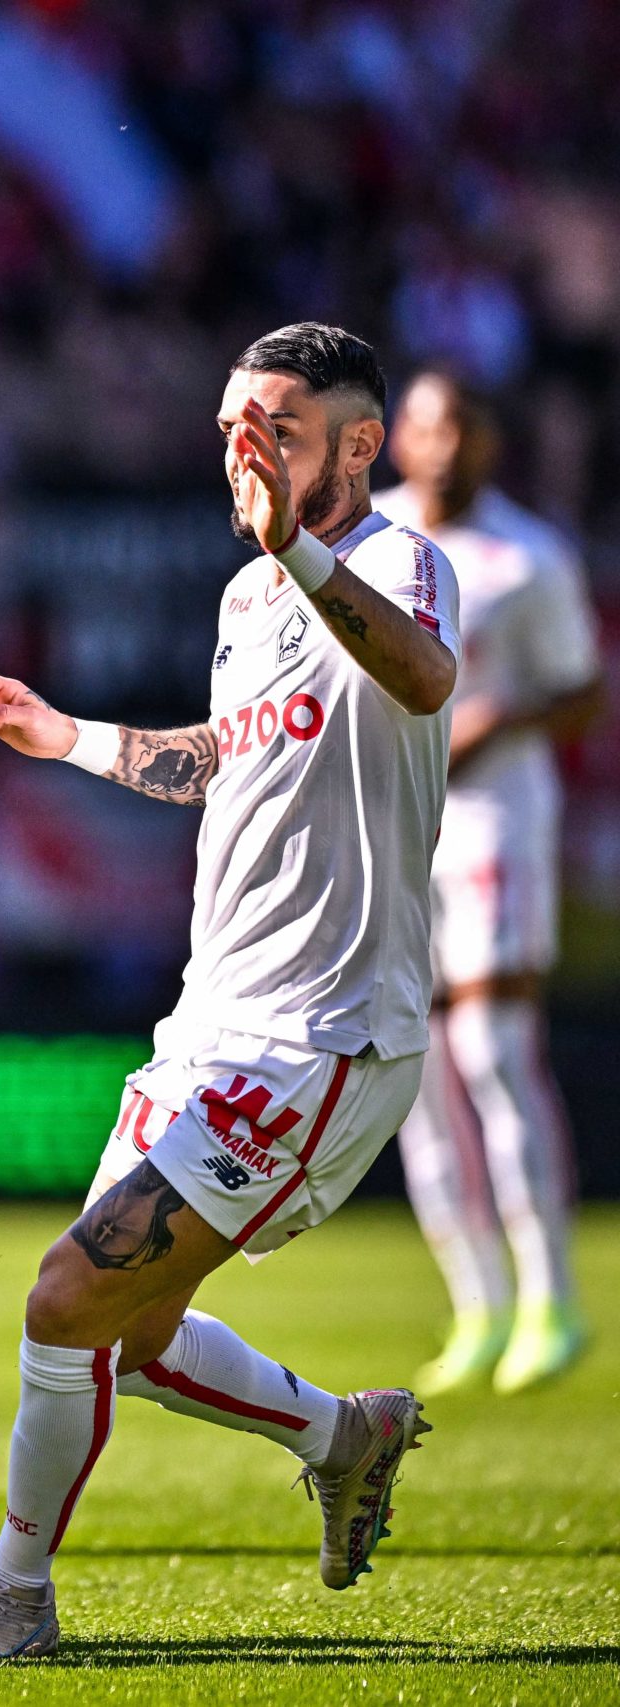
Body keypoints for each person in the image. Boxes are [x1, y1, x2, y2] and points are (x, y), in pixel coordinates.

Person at [0, 324, 459, 1664]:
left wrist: (300, 550)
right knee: (134, 1335)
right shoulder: (250, 599)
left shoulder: (391, 565)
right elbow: (227, 757)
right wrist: (64, 734)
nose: (238, 449)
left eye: (270, 424)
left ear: (358, 443)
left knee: (63, 1298)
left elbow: (427, 676)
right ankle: (343, 1433)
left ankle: (12, 1593)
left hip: (325, 1033)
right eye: (227, 425)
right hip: (211, 1024)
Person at [377, 371, 601, 1395]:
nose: (443, 443)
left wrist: (498, 718)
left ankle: (548, 1299)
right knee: (411, 1070)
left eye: (461, 426)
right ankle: (475, 1307)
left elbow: (577, 696)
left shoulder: (527, 558)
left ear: (488, 442)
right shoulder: (365, 542)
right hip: (393, 828)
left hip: (491, 823)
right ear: (395, 440)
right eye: (427, 425)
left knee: (494, 1050)